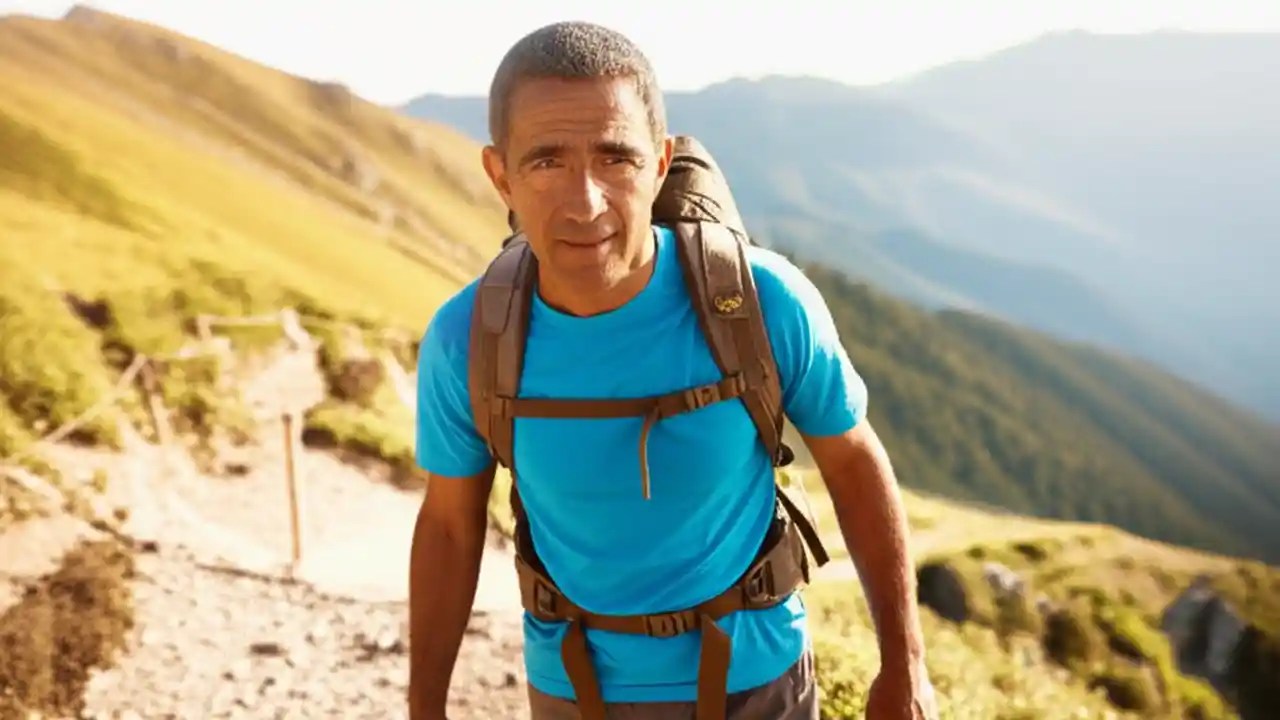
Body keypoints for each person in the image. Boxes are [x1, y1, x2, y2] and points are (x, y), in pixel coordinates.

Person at [408, 20, 935, 720]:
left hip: (760, 684)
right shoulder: (467, 338)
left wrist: (905, 666)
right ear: (500, 175)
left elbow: (853, 461)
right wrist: (424, 706)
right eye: (547, 161)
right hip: (571, 690)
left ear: (659, 165)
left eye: (615, 158)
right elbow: (449, 526)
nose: (586, 200)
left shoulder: (761, 303)